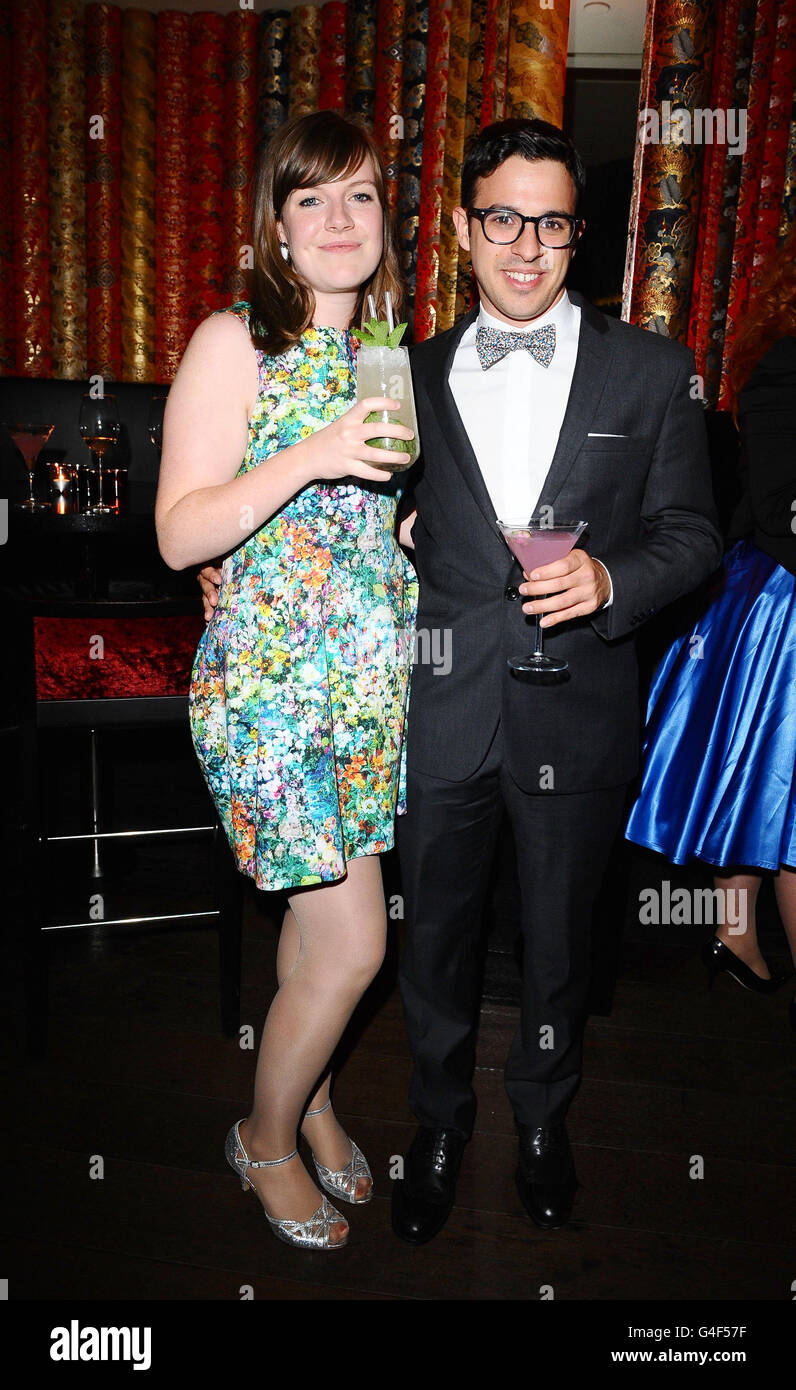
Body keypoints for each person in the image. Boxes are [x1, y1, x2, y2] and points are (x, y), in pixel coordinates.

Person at [200, 117, 723, 1243]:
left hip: (577, 713)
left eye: (549, 222)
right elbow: (360, 509)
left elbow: (694, 537)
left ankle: (541, 1121)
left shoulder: (654, 370)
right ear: (459, 229)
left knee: (557, 945)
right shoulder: (407, 367)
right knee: (425, 944)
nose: (524, 246)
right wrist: (230, 566)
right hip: (431, 710)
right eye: (501, 218)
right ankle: (434, 1123)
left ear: (576, 235)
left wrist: (609, 578)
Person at [156, 110, 418, 1251]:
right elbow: (178, 535)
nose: (337, 219)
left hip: (367, 690)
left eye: (359, 195)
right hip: (265, 695)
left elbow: (366, 526)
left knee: (317, 934)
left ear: (384, 222)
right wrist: (308, 454)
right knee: (358, 942)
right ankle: (264, 1134)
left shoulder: (387, 352)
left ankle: (304, 1090)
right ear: (276, 223)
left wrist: (412, 536)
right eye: (310, 197)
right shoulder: (235, 340)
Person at [624, 235, 796, 1018]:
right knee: (777, 790)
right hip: (779, 598)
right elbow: (779, 511)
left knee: (762, 781)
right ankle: (733, 931)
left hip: (769, 594)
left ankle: (733, 932)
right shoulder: (787, 365)